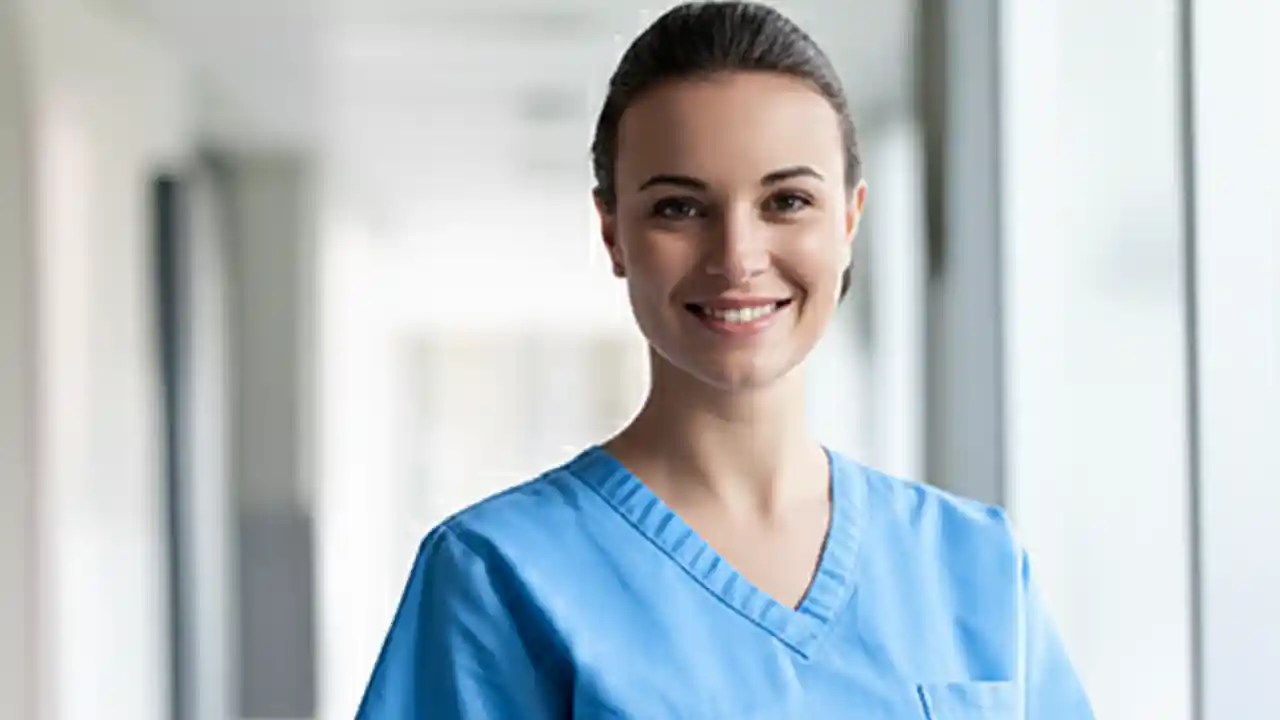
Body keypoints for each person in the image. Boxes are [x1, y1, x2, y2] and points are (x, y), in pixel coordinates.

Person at [357, 2, 1093, 717]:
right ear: (614, 234)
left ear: (849, 220)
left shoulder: (976, 566)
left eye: (787, 202)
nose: (738, 258)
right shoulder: (498, 576)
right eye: (680, 207)